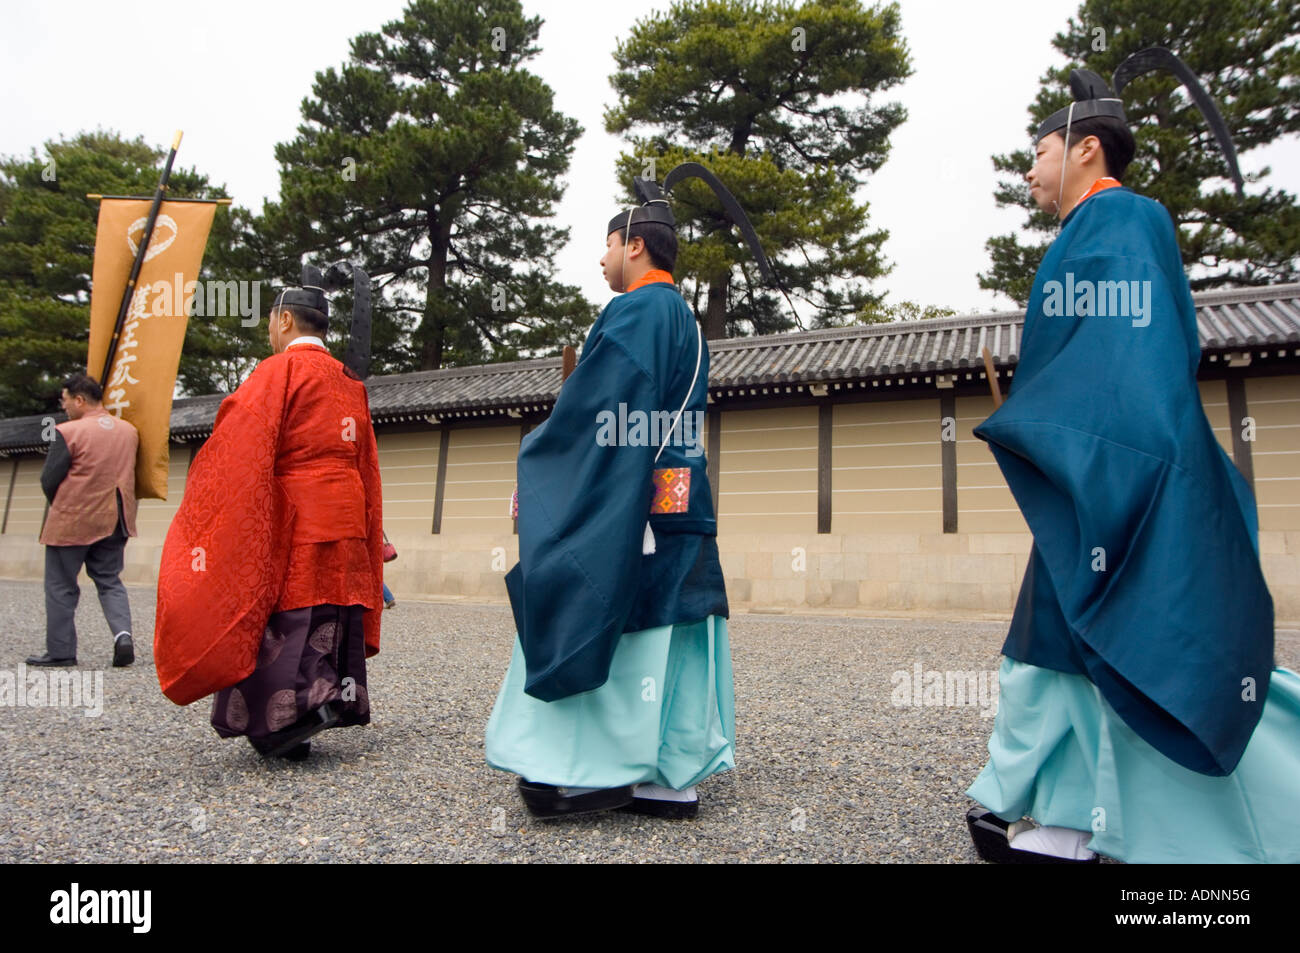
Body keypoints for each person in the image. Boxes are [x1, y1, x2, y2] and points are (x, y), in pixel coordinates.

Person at [965, 50, 1300, 863]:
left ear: (1085, 146)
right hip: (1094, 472)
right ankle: (1056, 810)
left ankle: (1085, 820)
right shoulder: (1097, 229)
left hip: (1125, 475)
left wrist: (1057, 431)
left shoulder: (1126, 220)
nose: (1031, 171)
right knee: (1060, 636)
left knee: (1142, 643)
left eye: (1039, 153)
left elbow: (1127, 366)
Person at [484, 170, 760, 819]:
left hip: (636, 503)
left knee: (616, 618)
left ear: (635, 244)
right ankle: (671, 773)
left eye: (606, 244)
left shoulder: (635, 309)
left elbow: (598, 417)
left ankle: (593, 767)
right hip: (681, 498)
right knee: (675, 629)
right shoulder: (685, 320)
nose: (601, 258)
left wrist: (545, 471)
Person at [154, 284, 384, 760]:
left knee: (286, 614)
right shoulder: (350, 382)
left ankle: (283, 723)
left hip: (295, 517)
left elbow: (239, 446)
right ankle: (326, 702)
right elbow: (367, 464)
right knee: (330, 611)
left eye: (268, 323)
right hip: (345, 515)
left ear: (283, 321)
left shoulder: (278, 371)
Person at [27, 373, 138, 668]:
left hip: (73, 518)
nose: (63, 407)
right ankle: (123, 636)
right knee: (110, 581)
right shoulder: (129, 431)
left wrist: (61, 505)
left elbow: (49, 479)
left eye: (65, 401)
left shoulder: (67, 431)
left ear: (79, 399)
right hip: (117, 518)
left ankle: (61, 652)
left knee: (61, 585)